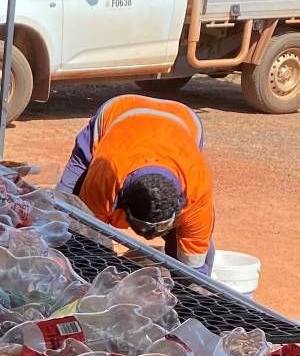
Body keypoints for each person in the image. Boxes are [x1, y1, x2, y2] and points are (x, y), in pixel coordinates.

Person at [59, 93, 215, 271]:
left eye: (158, 230)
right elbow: (90, 232)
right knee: (65, 212)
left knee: (193, 248)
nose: (150, 238)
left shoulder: (197, 192)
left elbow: (196, 262)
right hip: (119, 112)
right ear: (122, 202)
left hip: (183, 120)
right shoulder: (105, 175)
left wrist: (189, 290)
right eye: (142, 229)